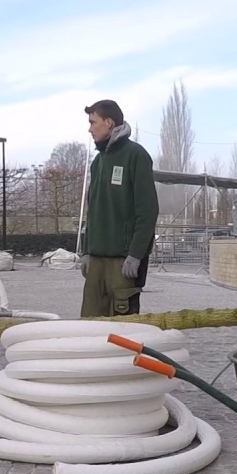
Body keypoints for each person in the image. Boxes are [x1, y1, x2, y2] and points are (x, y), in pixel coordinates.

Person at [78, 99, 157, 317]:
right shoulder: (98, 162)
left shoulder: (135, 155)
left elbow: (148, 211)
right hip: (96, 262)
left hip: (123, 264)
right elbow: (93, 212)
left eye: (93, 122)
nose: (89, 128)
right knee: (90, 323)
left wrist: (136, 254)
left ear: (109, 122)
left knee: (124, 327)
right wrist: (87, 250)